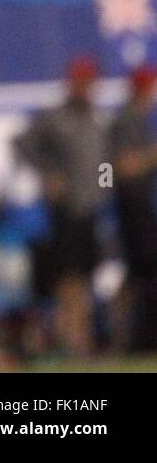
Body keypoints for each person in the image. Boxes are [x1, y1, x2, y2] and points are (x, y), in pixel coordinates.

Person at [16, 57, 108, 358]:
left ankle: (80, 337)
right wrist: (48, 174)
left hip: (90, 206)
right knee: (68, 275)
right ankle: (71, 338)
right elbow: (21, 143)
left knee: (85, 274)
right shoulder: (55, 117)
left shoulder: (95, 117)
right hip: (66, 209)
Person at [108, 66, 157, 352]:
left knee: (140, 273)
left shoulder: (138, 118)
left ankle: (135, 338)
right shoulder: (128, 119)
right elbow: (125, 166)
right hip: (133, 206)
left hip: (141, 205)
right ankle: (129, 339)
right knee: (140, 272)